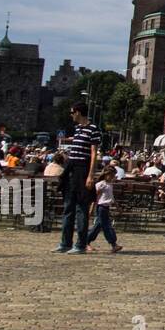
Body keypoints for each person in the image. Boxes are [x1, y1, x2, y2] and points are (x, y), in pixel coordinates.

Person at [57, 101, 100, 255]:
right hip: (72, 169)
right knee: (69, 207)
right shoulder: (77, 129)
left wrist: (90, 175)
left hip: (82, 170)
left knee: (81, 209)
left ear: (78, 112)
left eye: (72, 112)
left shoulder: (93, 129)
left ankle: (80, 244)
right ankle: (65, 242)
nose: (71, 115)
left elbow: (94, 153)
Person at [85, 165, 122, 253]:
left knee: (98, 226)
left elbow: (111, 197)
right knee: (106, 226)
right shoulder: (100, 184)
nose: (113, 177)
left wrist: (117, 207)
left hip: (106, 208)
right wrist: (91, 210)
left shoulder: (110, 184)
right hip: (101, 208)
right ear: (106, 174)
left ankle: (86, 241)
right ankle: (113, 244)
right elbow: (95, 198)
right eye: (111, 175)